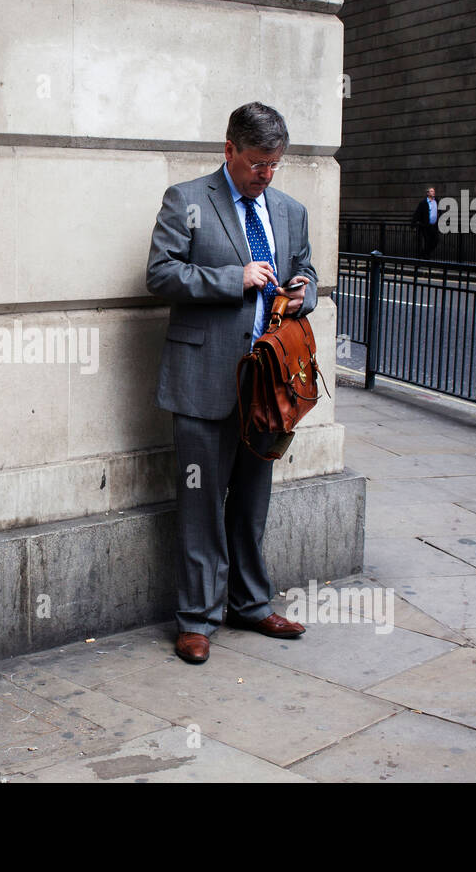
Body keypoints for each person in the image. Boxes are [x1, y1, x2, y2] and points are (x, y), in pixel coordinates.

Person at [146, 102, 318, 665]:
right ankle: (197, 620)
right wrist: (233, 278)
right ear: (229, 150)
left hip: (267, 386)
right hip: (203, 379)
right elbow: (161, 274)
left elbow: (310, 274)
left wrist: (302, 291)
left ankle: (249, 602)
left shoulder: (290, 211)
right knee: (200, 503)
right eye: (256, 162)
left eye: (274, 163)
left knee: (251, 502)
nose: (266, 174)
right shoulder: (187, 200)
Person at [412, 187, 440, 258]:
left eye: (434, 191)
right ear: (427, 193)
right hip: (426, 226)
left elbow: (438, 211)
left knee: (435, 241)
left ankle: (423, 254)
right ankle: (426, 257)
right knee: (427, 242)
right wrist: (413, 224)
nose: (433, 192)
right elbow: (417, 213)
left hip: (434, 226)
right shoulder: (423, 203)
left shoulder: (436, 201)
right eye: (431, 191)